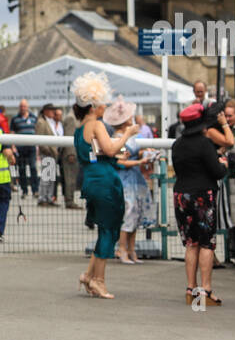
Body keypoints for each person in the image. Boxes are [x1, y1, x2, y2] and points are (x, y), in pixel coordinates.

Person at [70, 72, 138, 299]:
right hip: (105, 182)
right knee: (109, 230)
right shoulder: (97, 125)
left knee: (104, 230)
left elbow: (100, 152)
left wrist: (116, 150)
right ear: (93, 105)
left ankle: (90, 276)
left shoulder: (80, 130)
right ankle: (98, 281)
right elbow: (109, 150)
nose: (105, 105)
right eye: (101, 102)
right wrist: (127, 133)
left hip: (92, 180)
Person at [171, 103, 229, 305]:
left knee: (191, 243)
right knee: (206, 243)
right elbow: (217, 172)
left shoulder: (177, 144)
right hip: (202, 195)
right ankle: (205, 290)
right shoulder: (204, 144)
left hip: (181, 195)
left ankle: (190, 289)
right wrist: (223, 164)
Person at [104, 99, 152, 264]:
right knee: (128, 212)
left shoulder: (129, 137)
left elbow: (132, 154)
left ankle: (131, 249)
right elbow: (120, 162)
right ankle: (122, 248)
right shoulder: (117, 139)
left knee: (135, 213)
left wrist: (144, 154)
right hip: (125, 178)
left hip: (134, 177)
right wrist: (139, 161)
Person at [10, 99, 37, 198]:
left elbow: (37, 131)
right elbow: (12, 133)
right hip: (20, 148)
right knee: (21, 170)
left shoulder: (34, 117)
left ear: (27, 107)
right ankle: (24, 191)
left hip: (32, 147)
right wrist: (13, 146)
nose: (23, 108)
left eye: (24, 106)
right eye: (21, 106)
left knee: (33, 168)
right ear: (19, 107)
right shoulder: (15, 119)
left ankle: (35, 191)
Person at [34, 104, 60, 206]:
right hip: (47, 153)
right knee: (46, 177)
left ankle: (49, 198)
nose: (53, 112)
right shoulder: (41, 122)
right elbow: (39, 138)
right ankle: (42, 198)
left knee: (51, 177)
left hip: (52, 153)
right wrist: (46, 150)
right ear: (45, 111)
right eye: (51, 110)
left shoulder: (50, 121)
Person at [0, 144, 13, 243]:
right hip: (2, 180)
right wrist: (12, 156)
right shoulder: (1, 133)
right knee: (3, 204)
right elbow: (7, 152)